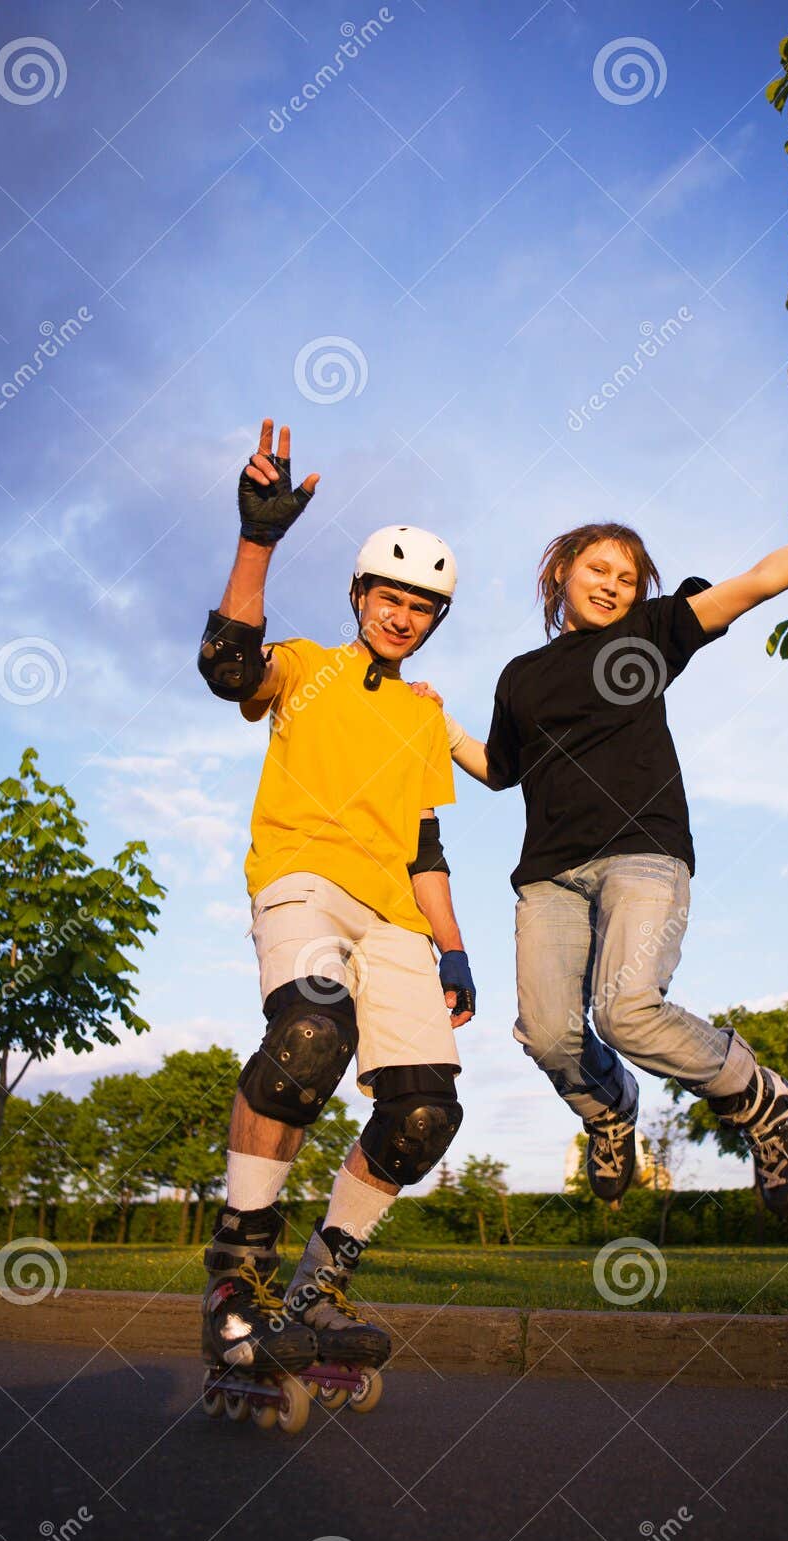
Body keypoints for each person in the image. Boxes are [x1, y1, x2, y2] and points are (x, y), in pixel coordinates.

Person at [427, 476, 788, 1233]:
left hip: (643, 852)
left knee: (624, 1010)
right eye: (599, 569)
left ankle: (766, 1102)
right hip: (549, 873)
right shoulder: (520, 675)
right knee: (547, 1032)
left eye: (627, 578)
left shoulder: (652, 633)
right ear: (560, 572)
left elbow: (760, 579)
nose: (613, 585)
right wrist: (439, 725)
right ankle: (608, 1107)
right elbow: (500, 770)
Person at [197, 417, 475, 1381]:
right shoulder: (308, 667)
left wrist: (452, 947)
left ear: (436, 620)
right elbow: (228, 668)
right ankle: (238, 1272)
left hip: (397, 914)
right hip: (303, 883)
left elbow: (428, 844)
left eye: (421, 608)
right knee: (312, 1036)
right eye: (389, 597)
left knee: (425, 1114)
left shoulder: (425, 714)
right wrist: (256, 540)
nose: (402, 617)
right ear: (359, 594)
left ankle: (318, 1284)